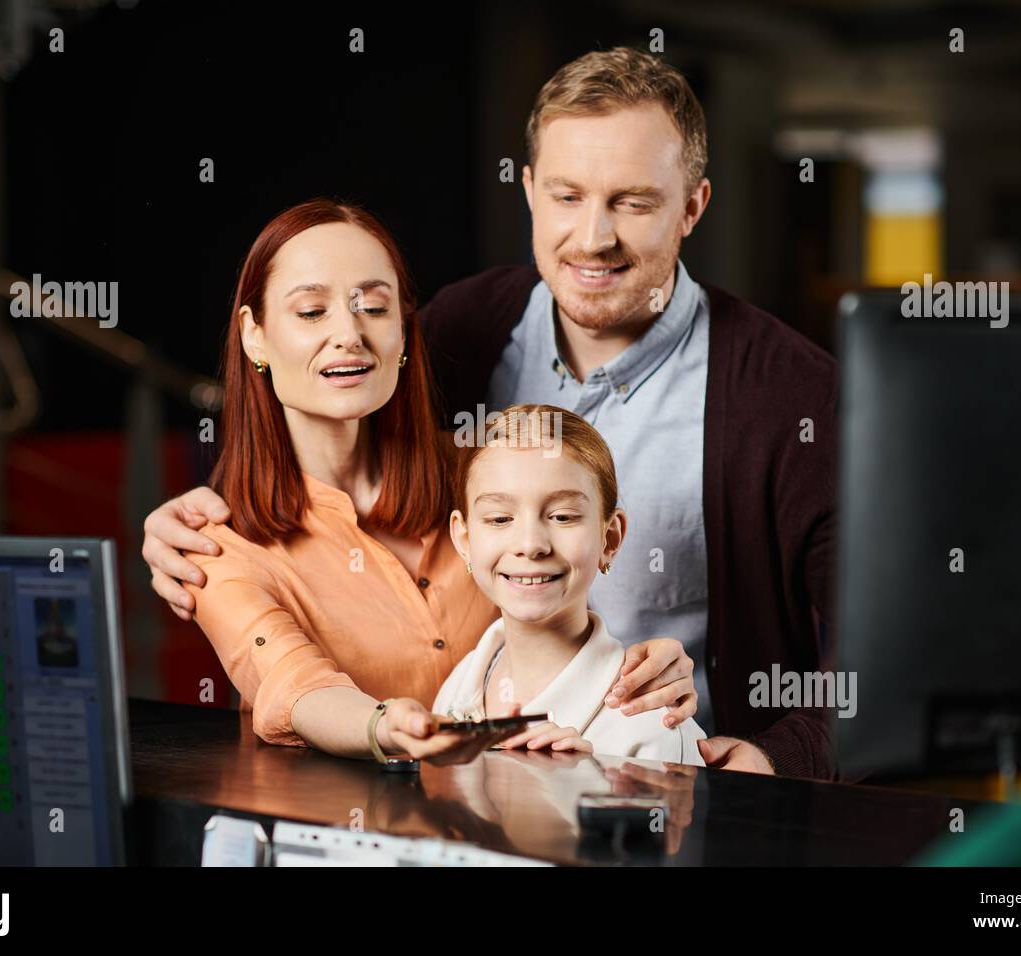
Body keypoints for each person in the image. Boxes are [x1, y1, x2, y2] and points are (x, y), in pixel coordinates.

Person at [145, 47, 838, 778]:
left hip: (686, 804)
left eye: (633, 202)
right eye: (569, 196)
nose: (594, 238)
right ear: (531, 191)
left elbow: (897, 657)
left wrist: (774, 757)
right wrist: (201, 513)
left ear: (693, 206)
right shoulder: (463, 336)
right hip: (478, 804)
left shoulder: (792, 396)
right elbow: (328, 425)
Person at [179, 198, 694, 763]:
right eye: (311, 312)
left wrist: (649, 667)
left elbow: (579, 579)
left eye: (373, 307)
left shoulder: (487, 470)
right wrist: (390, 727)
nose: (349, 333)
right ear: (255, 336)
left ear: (403, 328)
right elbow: (293, 682)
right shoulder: (216, 545)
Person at [435, 404, 708, 765]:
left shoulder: (653, 727)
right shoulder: (457, 688)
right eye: (500, 518)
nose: (531, 544)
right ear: (464, 539)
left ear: (609, 539)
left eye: (563, 517)